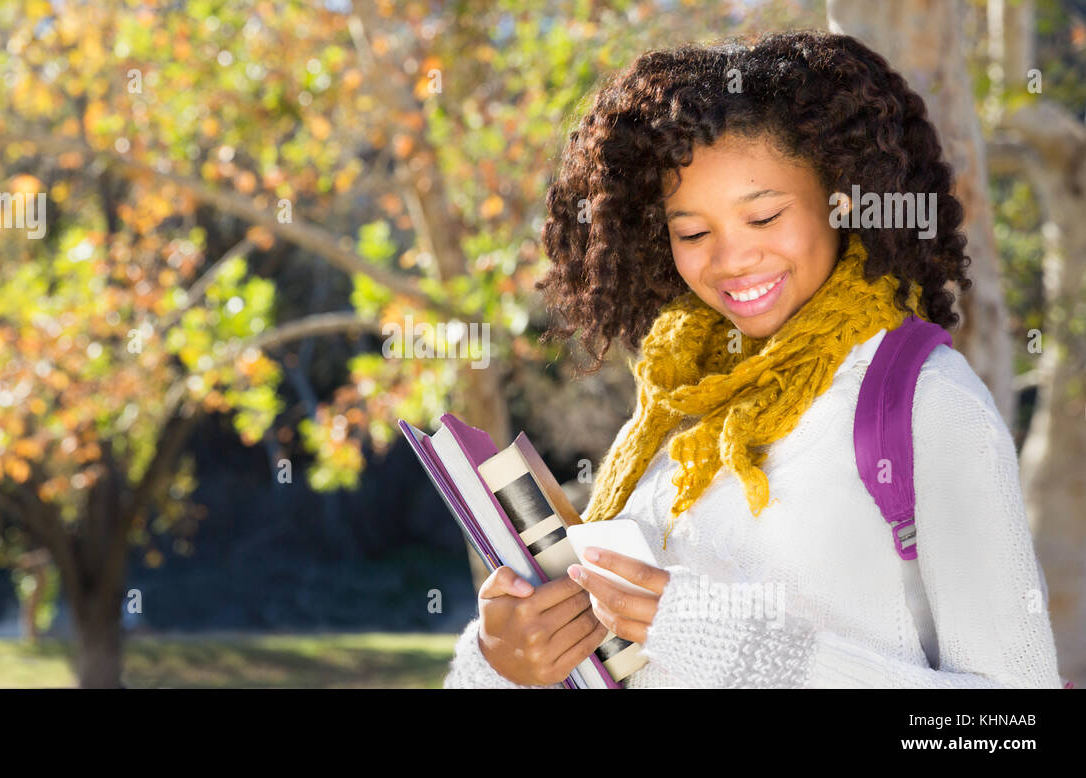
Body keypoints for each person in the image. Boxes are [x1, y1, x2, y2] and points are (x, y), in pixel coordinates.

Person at [443, 30, 1064, 688]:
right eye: (692, 232)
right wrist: (501, 665)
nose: (731, 259)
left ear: (841, 199)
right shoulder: (675, 410)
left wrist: (754, 656)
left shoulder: (927, 403)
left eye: (764, 217)